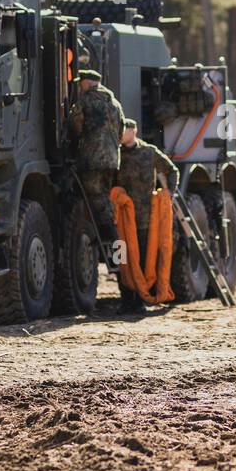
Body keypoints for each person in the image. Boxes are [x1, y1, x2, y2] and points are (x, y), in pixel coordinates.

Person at [115, 118, 179, 313]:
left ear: (133, 131)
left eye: (124, 130)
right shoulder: (116, 154)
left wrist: (169, 192)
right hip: (123, 219)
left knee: (143, 259)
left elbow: (171, 170)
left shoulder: (149, 152)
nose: (121, 133)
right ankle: (126, 301)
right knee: (121, 258)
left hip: (145, 218)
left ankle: (140, 299)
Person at [69, 69, 125, 258]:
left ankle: (114, 250)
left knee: (98, 201)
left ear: (87, 83)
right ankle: (107, 242)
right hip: (111, 160)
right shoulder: (115, 103)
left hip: (92, 159)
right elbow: (121, 131)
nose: (79, 85)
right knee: (102, 199)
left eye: (81, 82)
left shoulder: (85, 101)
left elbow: (75, 126)